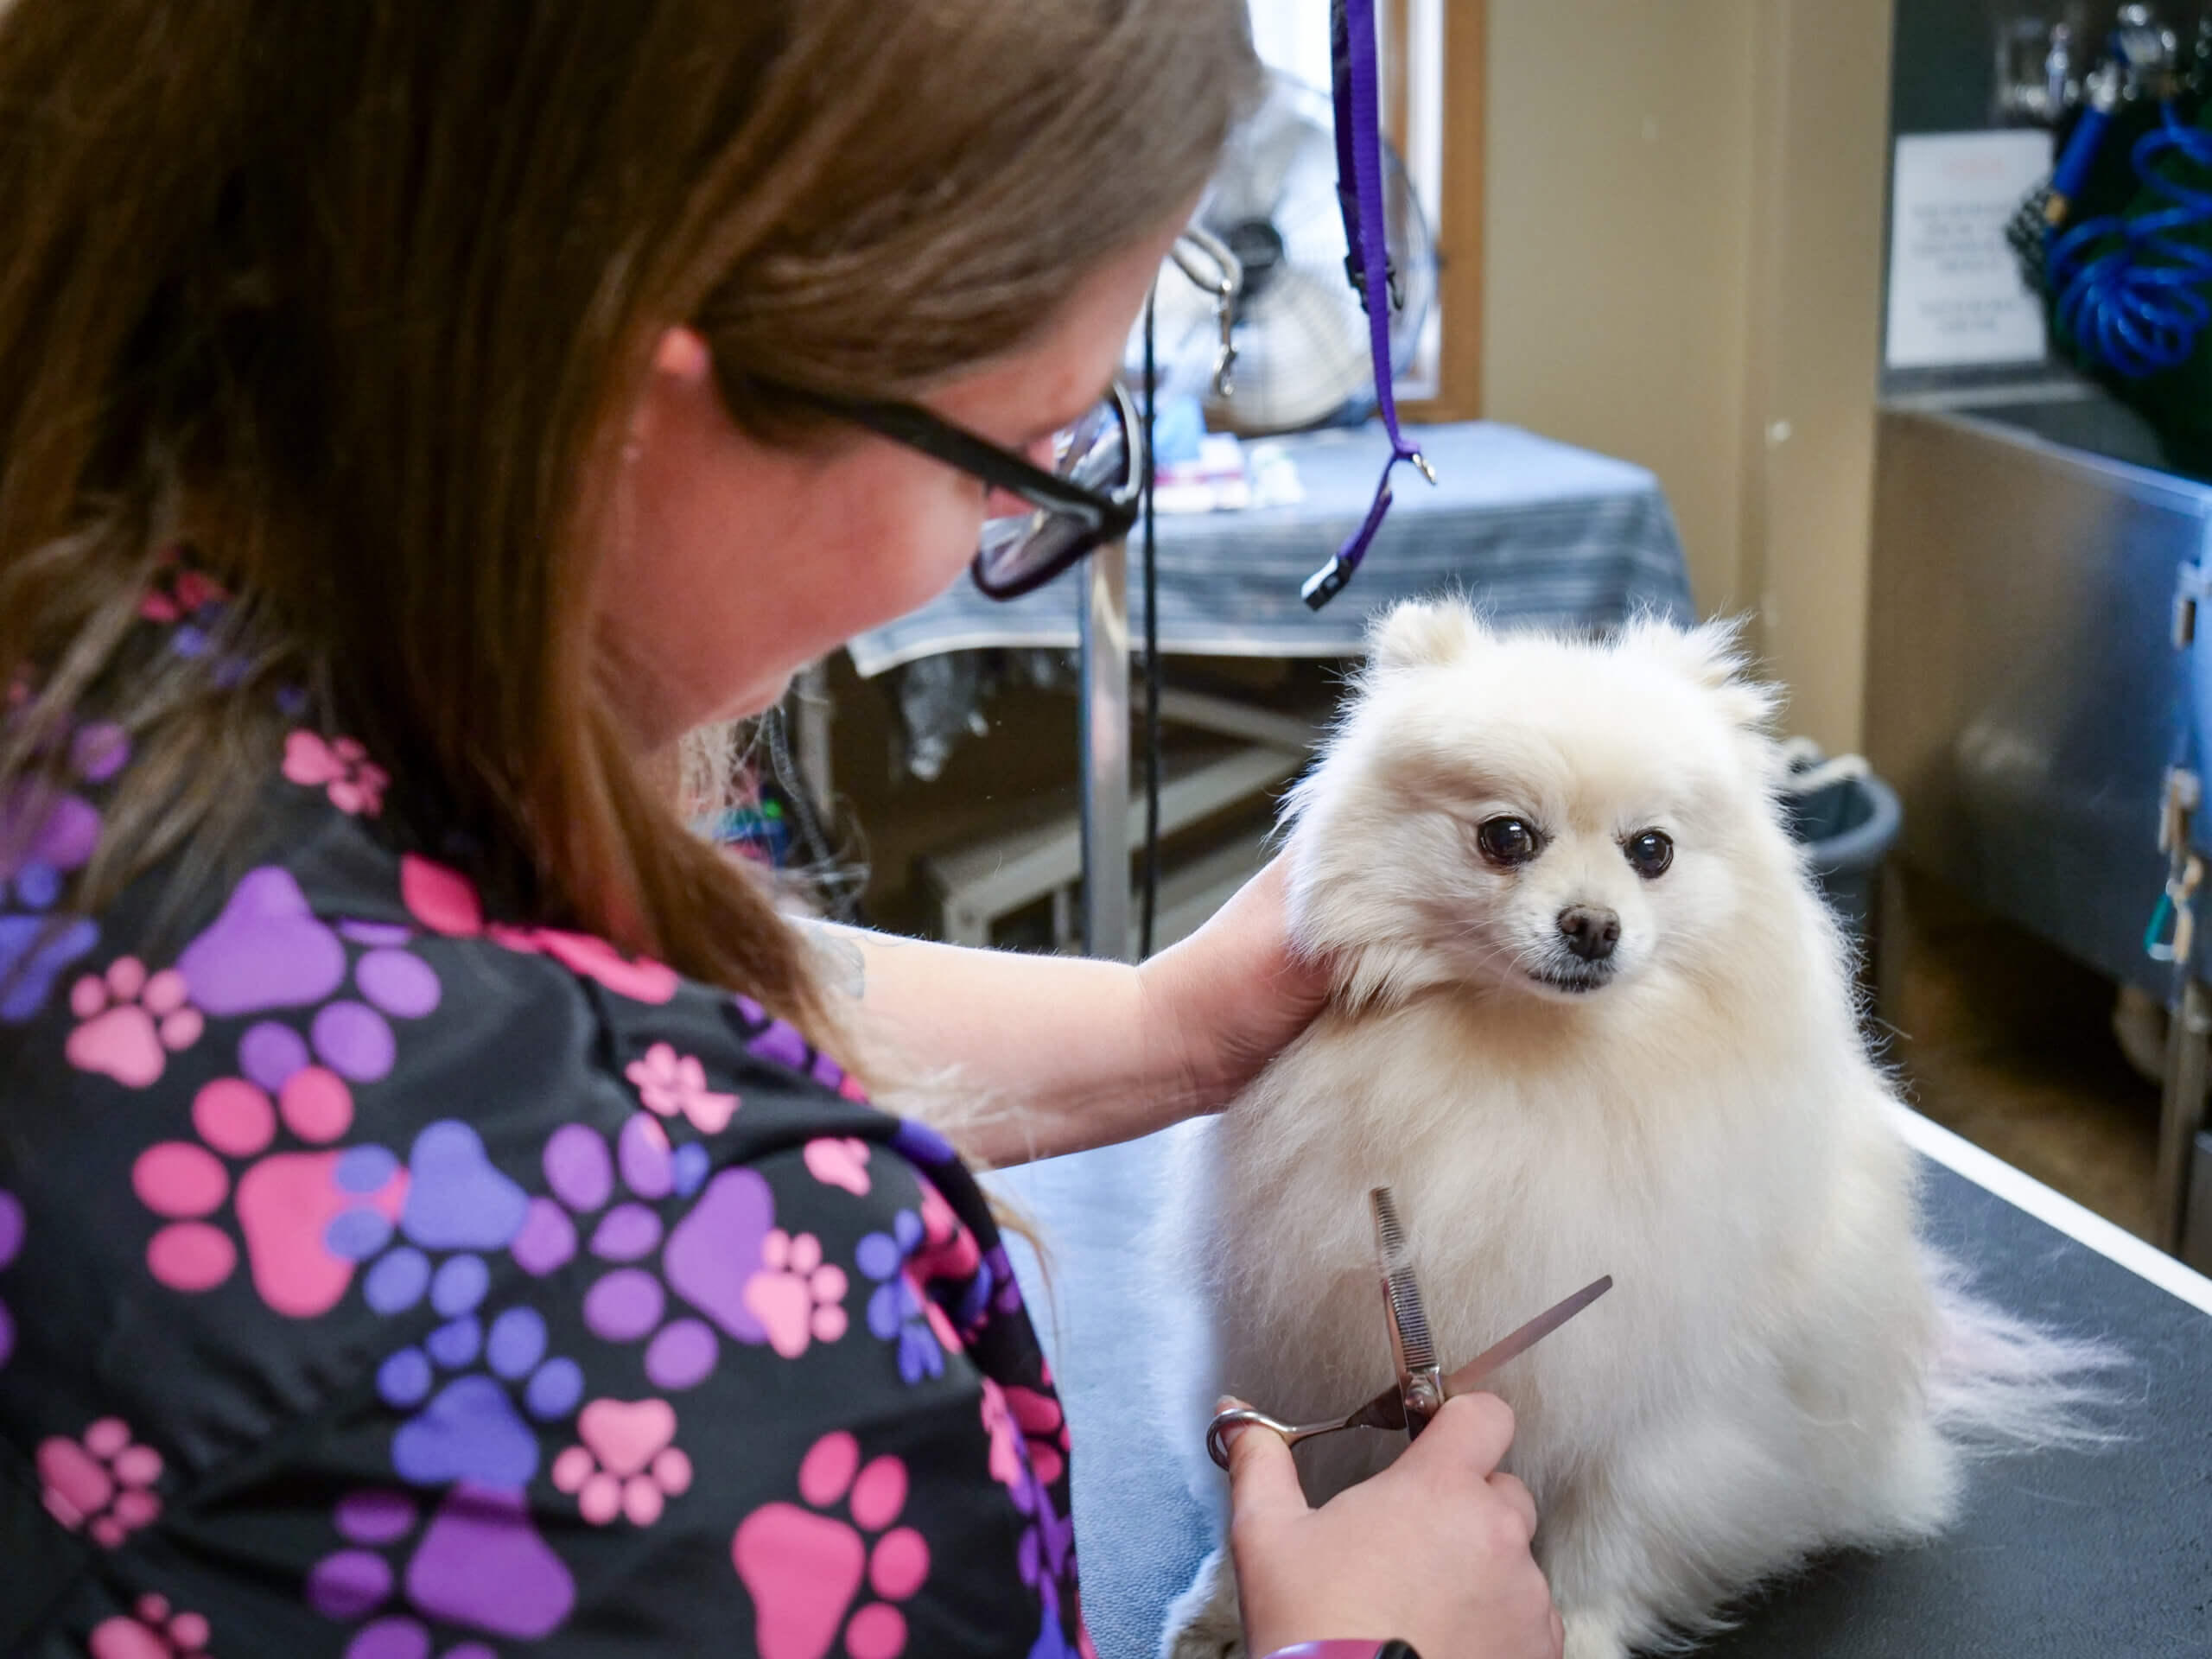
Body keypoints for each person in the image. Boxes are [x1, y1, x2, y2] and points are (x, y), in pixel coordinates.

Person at [0, 4, 1563, 1657]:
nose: (1014, 514)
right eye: (1019, 452)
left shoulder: (106, 689)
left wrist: (1168, 1028)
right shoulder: (705, 1346)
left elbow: (490, 980)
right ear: (633, 389)